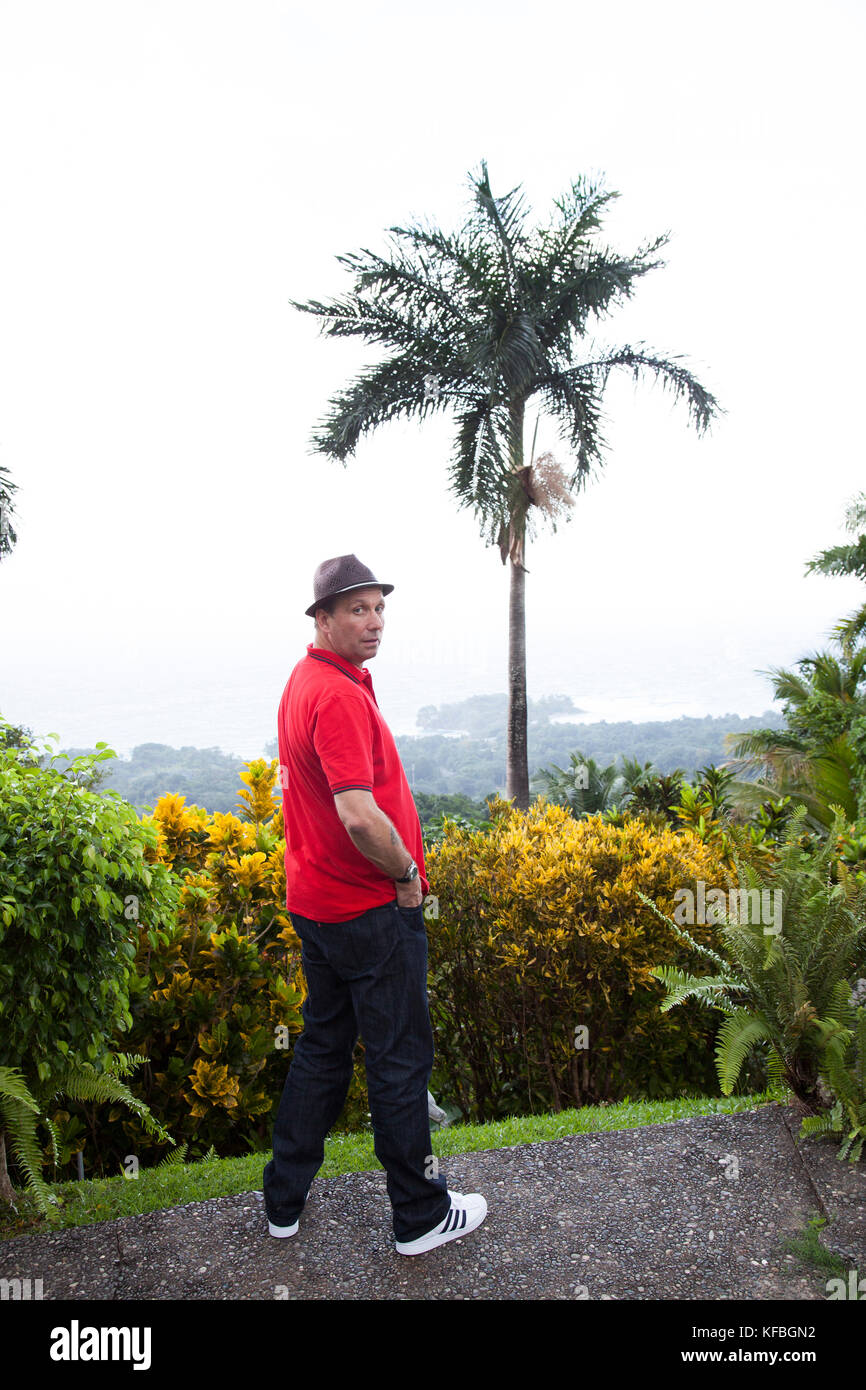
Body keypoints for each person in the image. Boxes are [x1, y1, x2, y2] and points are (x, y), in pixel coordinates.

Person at [263, 554, 487, 1256]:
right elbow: (359, 816)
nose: (373, 622)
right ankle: (420, 1216)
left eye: (379, 608)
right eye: (356, 610)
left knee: (324, 1049)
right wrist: (406, 874)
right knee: (399, 1060)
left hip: (318, 905)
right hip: (366, 909)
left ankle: (283, 1201)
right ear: (322, 618)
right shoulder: (336, 695)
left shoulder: (307, 679)